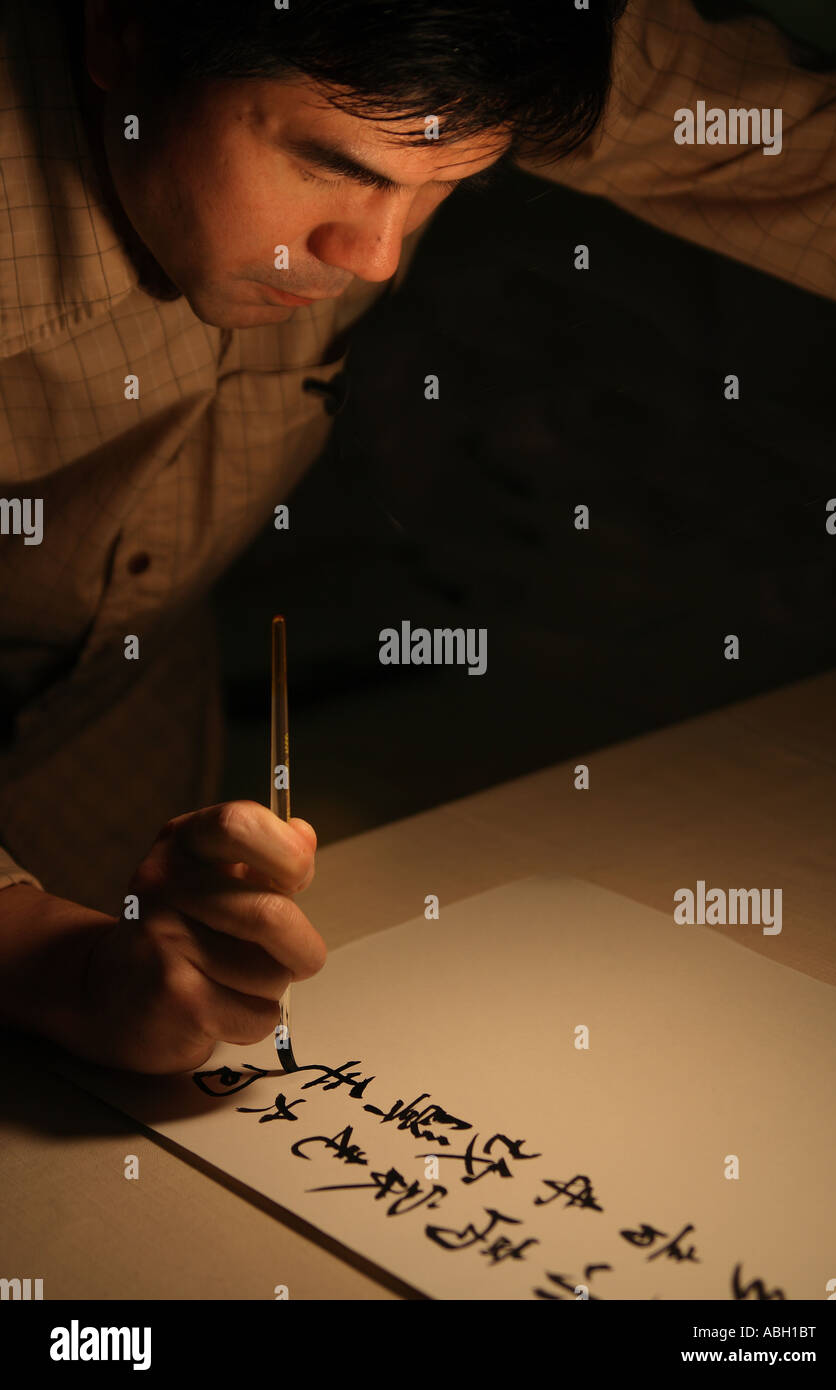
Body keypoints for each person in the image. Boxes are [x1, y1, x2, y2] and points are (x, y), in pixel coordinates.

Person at [0, 0, 624, 1072]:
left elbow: (779, 124)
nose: (373, 257)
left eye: (442, 190)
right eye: (335, 166)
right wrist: (46, 957)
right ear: (121, 32)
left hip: (121, 746)